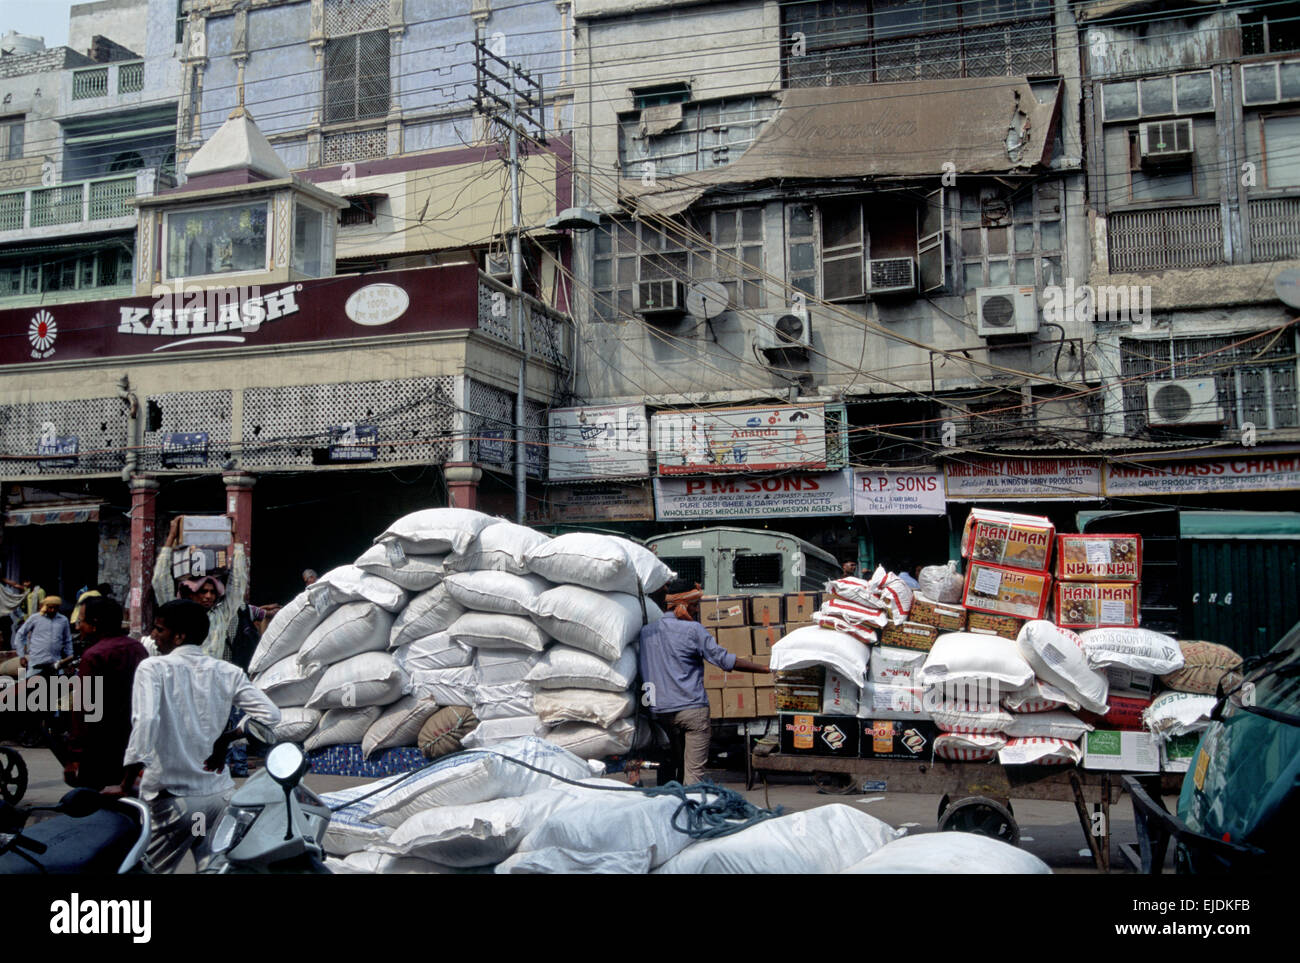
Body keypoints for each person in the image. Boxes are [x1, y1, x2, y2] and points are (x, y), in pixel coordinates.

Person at [118, 599, 281, 874]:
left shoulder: (153, 668)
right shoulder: (227, 671)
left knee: (147, 870)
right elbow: (271, 715)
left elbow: (146, 721)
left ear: (179, 635)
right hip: (218, 797)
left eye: (159, 629)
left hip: (174, 800)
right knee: (211, 867)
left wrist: (125, 783)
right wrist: (229, 737)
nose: (154, 636)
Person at [637, 581, 768, 786]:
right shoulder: (693, 630)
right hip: (691, 710)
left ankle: (666, 802)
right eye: (695, 605)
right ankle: (692, 804)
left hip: (659, 711)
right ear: (682, 605)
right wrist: (764, 669)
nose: (697, 610)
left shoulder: (646, 632)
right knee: (693, 773)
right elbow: (723, 660)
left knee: (669, 764)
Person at [64, 596, 147, 791]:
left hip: (99, 751)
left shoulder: (94, 655)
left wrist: (74, 755)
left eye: (81, 621)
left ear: (94, 624)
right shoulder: (137, 649)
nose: (78, 627)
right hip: (132, 747)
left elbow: (84, 709)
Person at [14, 595, 72, 679]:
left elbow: (67, 640)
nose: (52, 610)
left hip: (55, 664)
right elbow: (20, 635)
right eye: (50, 607)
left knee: (56, 690)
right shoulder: (35, 618)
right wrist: (21, 656)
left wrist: (69, 658)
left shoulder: (63, 620)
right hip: (36, 664)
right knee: (30, 688)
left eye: (55, 608)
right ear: (45, 606)